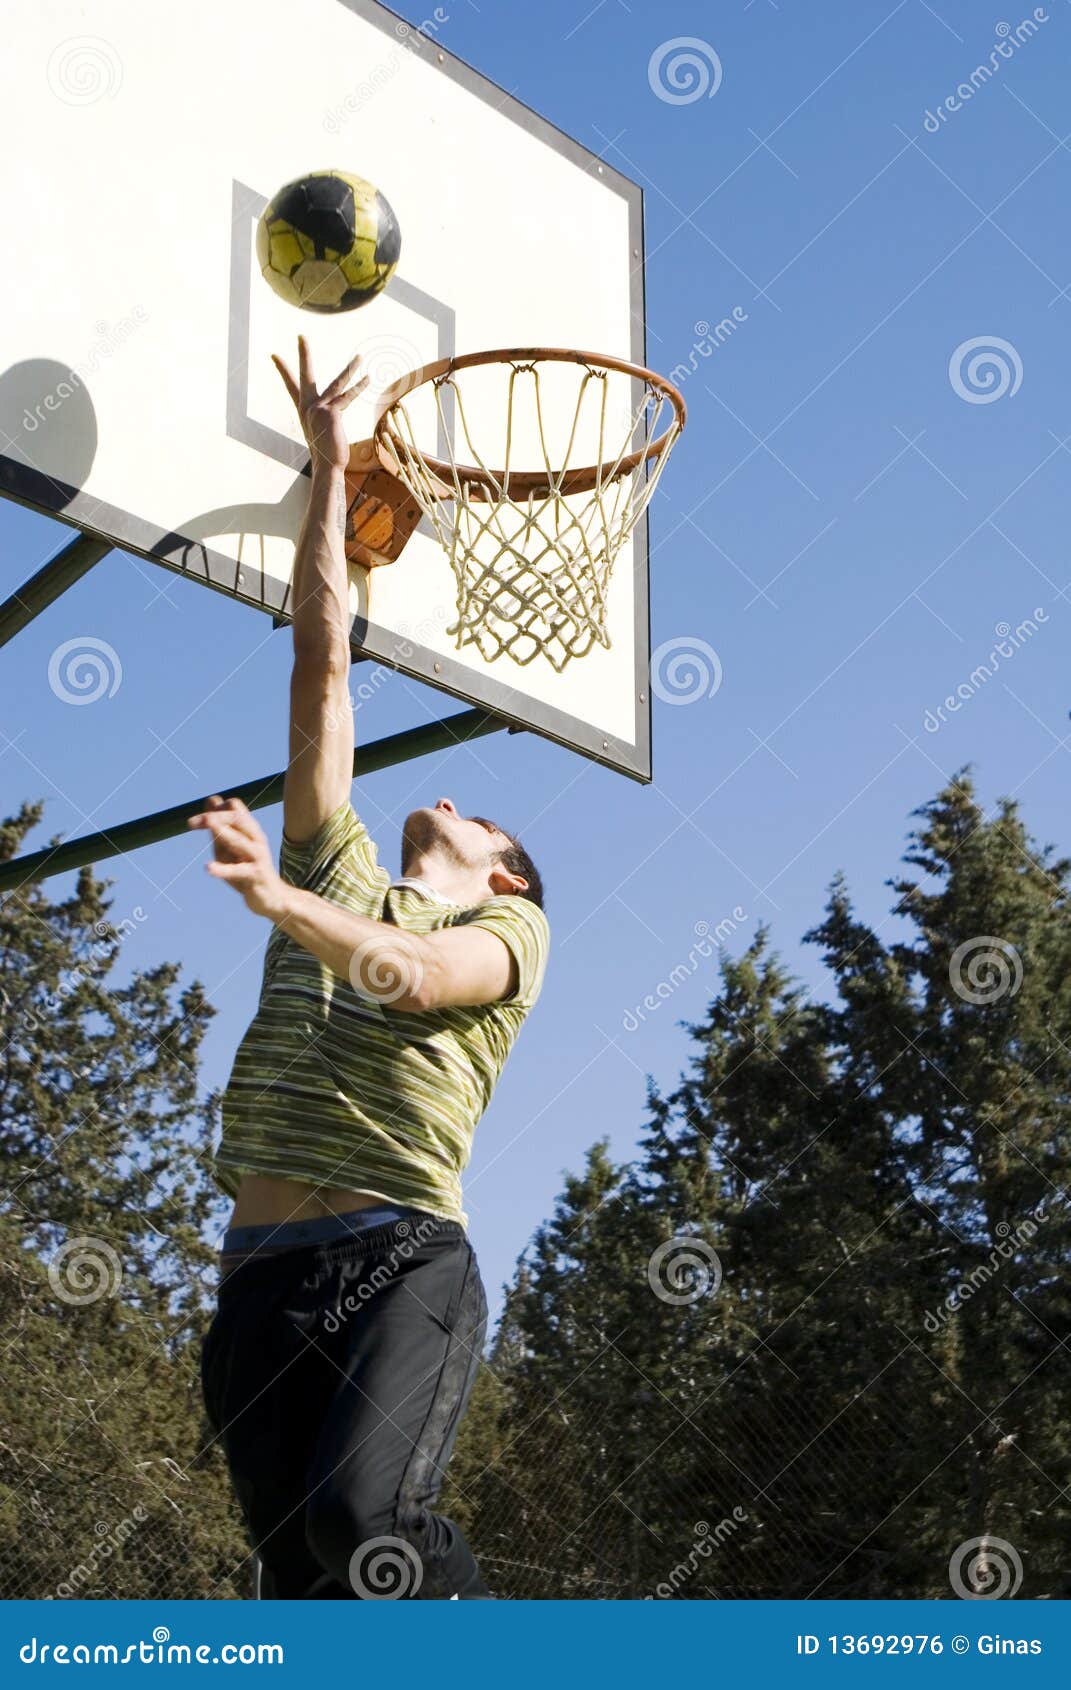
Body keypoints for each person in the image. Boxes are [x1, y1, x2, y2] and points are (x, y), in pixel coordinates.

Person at [191, 339, 549, 1600]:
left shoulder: (510, 940)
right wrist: (332, 472)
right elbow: (323, 664)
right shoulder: (334, 863)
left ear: (506, 871)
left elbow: (405, 973)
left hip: (398, 1260)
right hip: (259, 1277)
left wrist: (281, 898)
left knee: (365, 1526)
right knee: (299, 1586)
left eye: (483, 813)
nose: (448, 794)